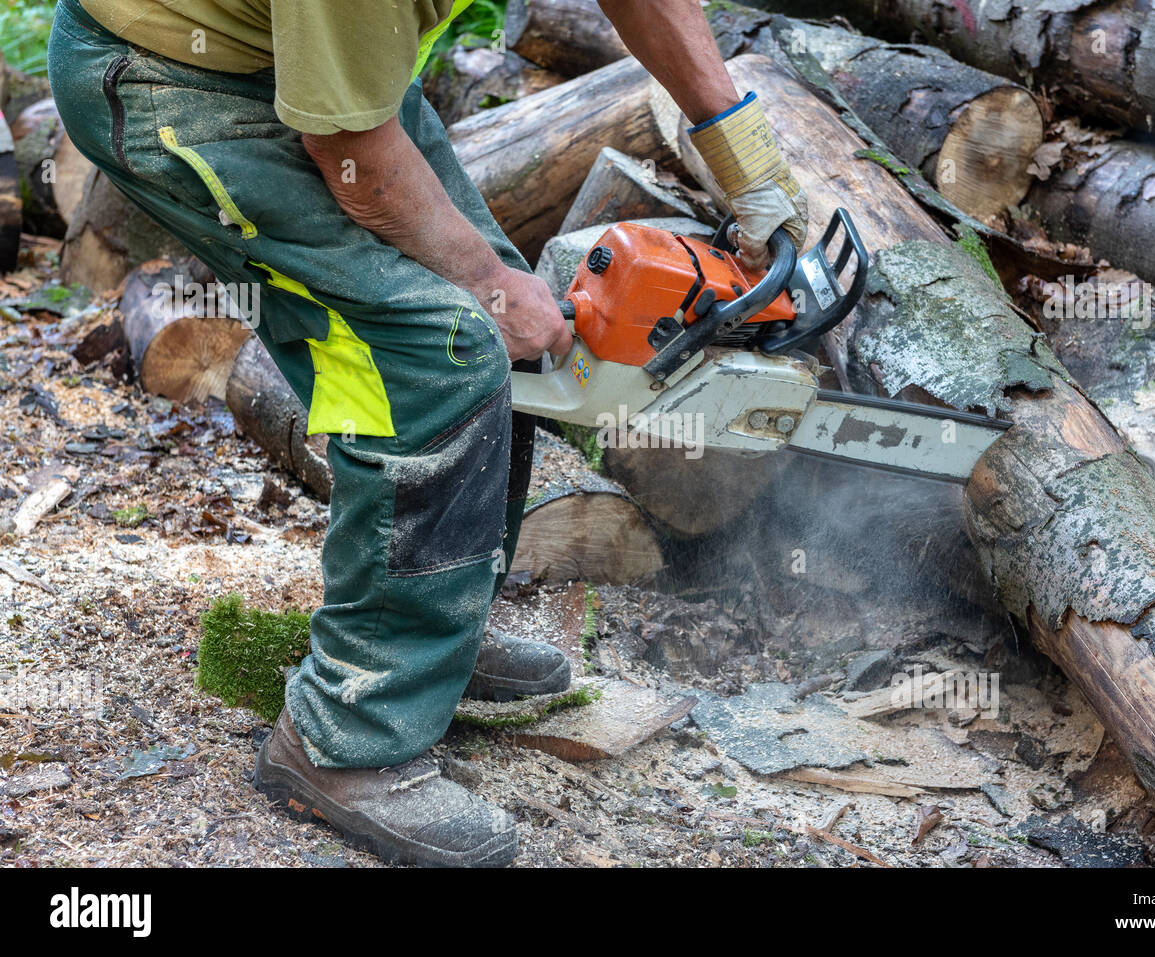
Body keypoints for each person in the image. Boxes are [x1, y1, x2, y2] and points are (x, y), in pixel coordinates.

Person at [48, 0, 808, 867]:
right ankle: (346, 733)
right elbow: (355, 158)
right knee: (433, 353)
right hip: (175, 83)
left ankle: (434, 629)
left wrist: (745, 161)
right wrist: (486, 291)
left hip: (321, 73)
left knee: (507, 318)